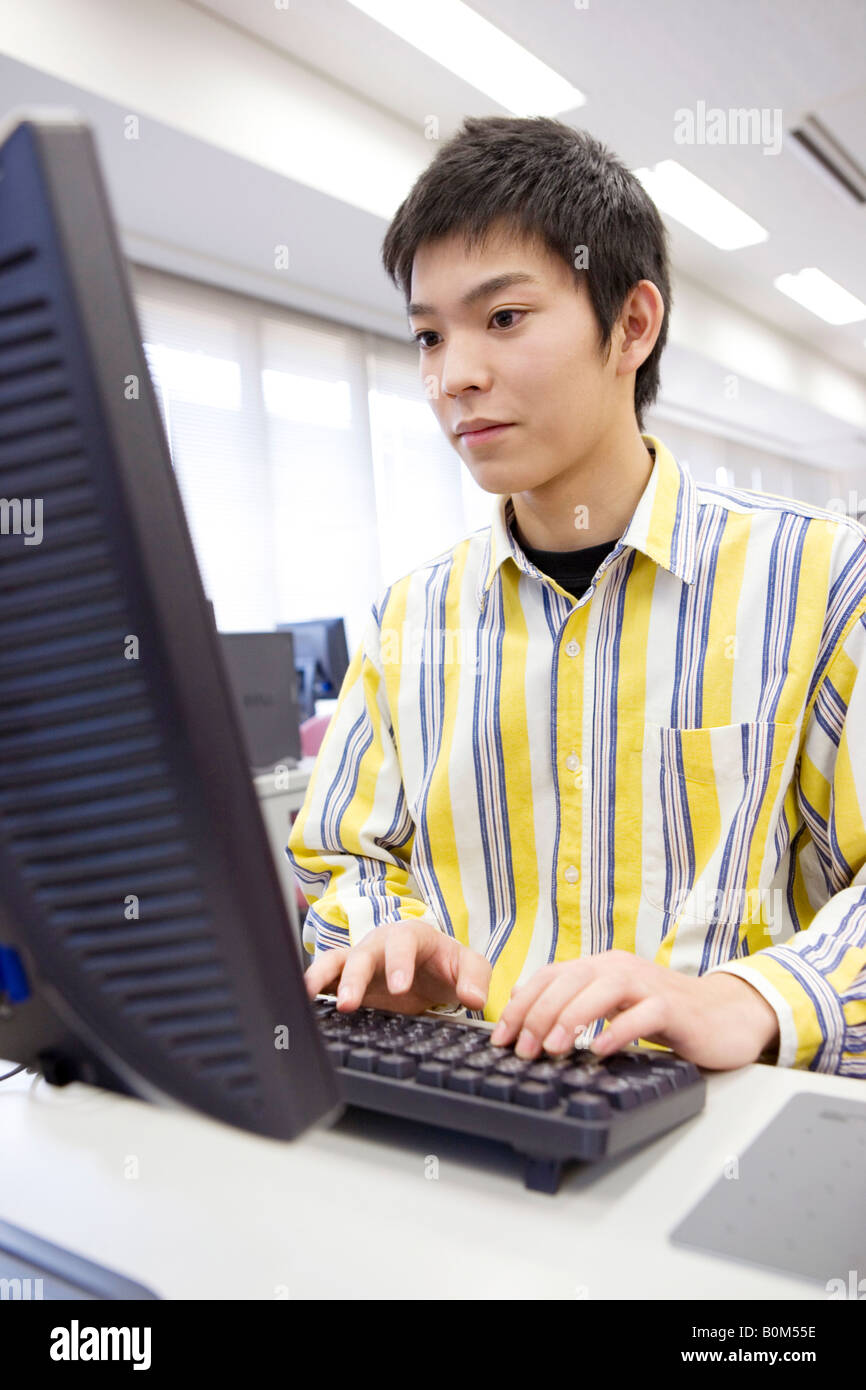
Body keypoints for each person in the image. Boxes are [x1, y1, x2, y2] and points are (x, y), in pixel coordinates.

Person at [287, 116, 866, 1074]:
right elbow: (346, 858)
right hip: (468, 1099)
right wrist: (385, 938)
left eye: (503, 319)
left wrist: (748, 995)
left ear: (632, 325)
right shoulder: (410, 618)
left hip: (716, 1115)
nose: (454, 376)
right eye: (430, 335)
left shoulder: (819, 579)